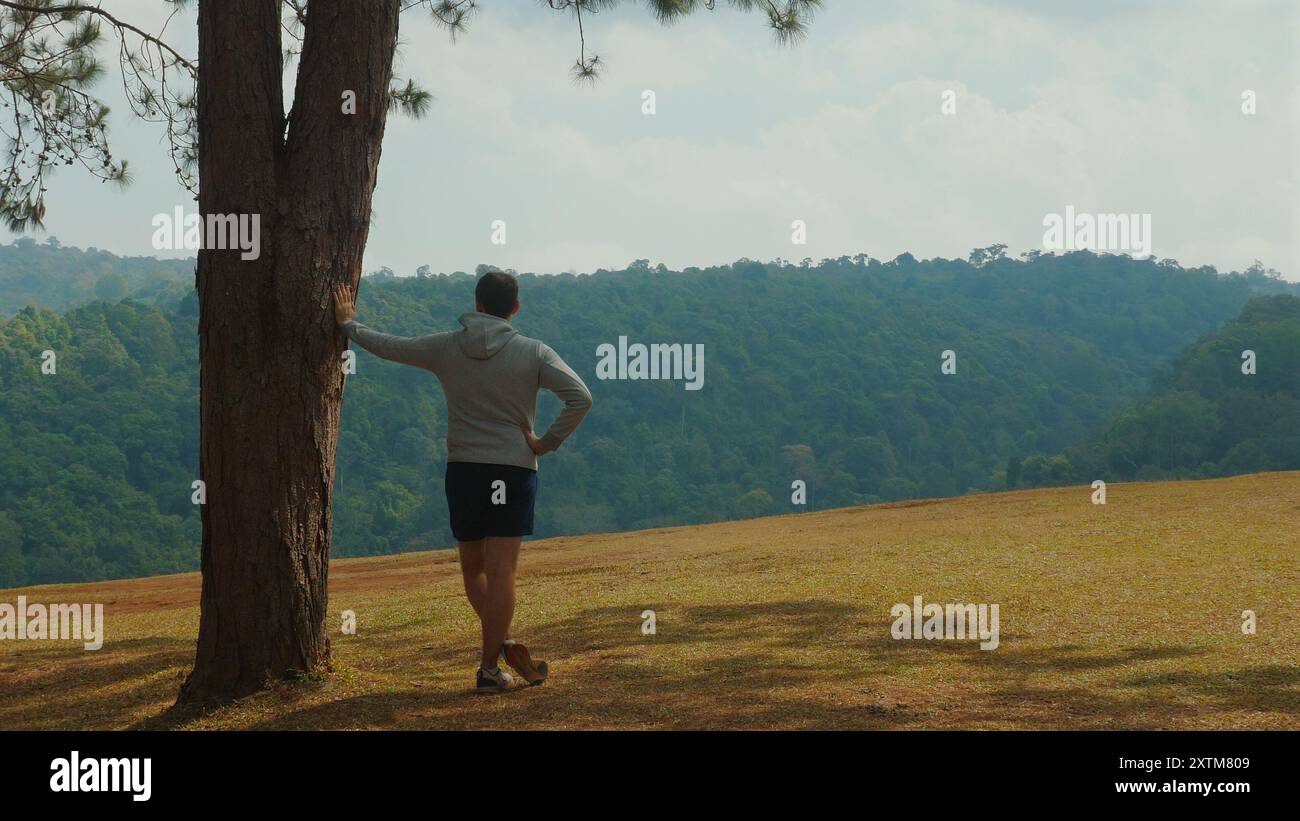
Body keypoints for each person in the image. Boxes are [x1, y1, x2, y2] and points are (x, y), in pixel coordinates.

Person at [332, 270, 593, 692]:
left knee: (474, 567)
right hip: (513, 468)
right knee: (503, 570)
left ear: (477, 304)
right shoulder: (534, 352)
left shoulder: (446, 347)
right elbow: (581, 396)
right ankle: (492, 664)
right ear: (515, 307)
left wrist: (348, 325)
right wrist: (546, 443)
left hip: (465, 469)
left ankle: (498, 650)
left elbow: (390, 346)